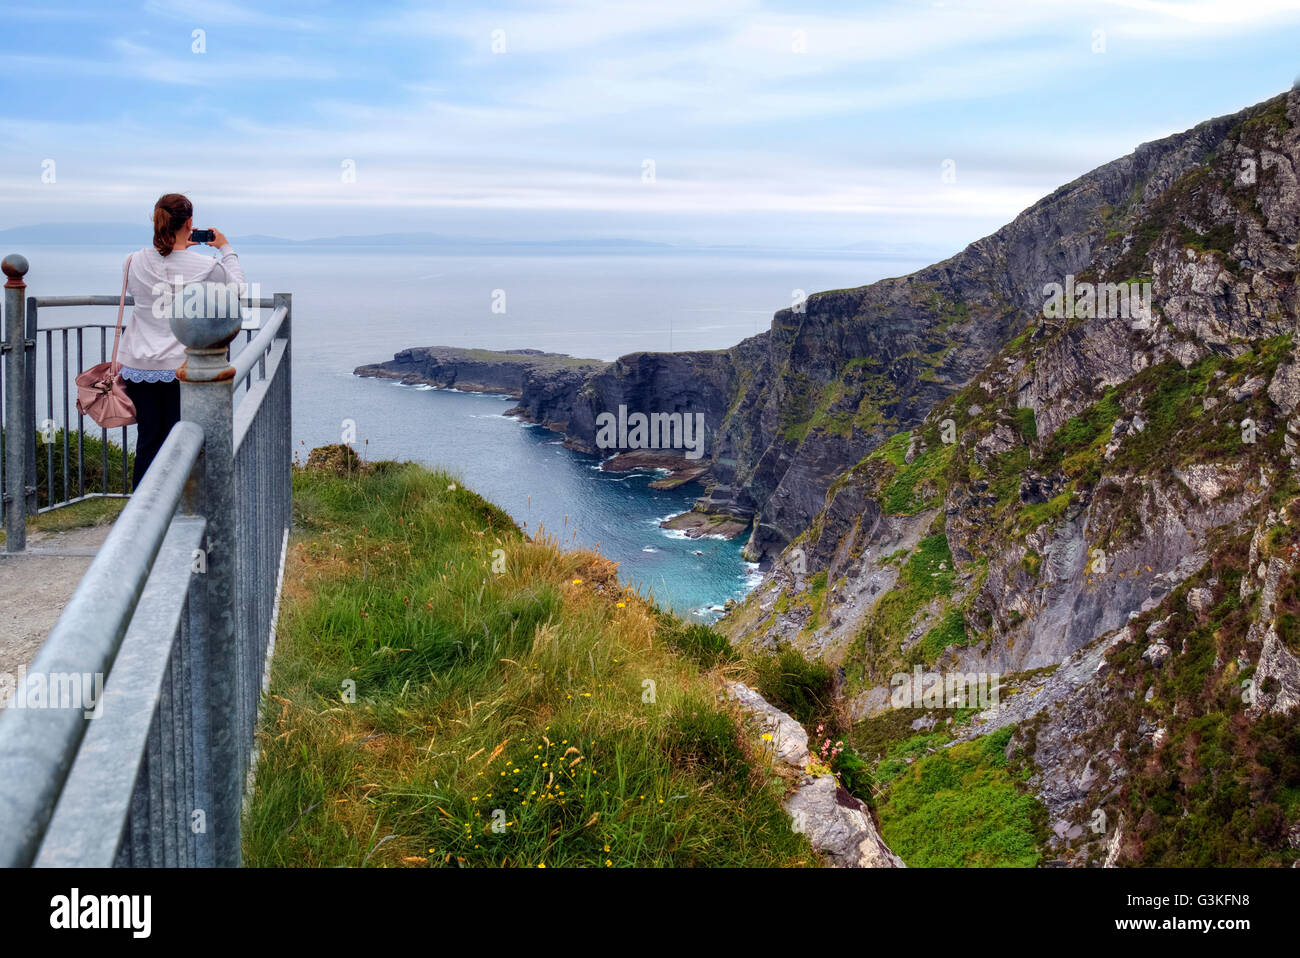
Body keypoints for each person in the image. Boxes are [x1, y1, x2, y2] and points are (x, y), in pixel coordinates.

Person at [117, 193, 245, 488]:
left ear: (157, 220)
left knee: (149, 442)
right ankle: (180, 512)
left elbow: (154, 283)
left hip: (139, 367)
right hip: (183, 368)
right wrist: (225, 248)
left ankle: (142, 516)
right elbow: (237, 288)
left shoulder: (131, 261)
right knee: (183, 443)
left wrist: (175, 251)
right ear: (190, 223)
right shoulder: (206, 267)